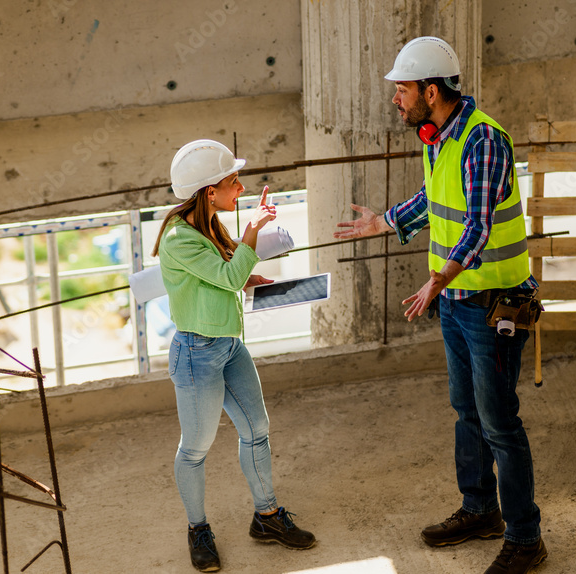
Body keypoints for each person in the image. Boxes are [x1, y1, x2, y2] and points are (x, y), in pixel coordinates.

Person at [334, 37, 546, 574]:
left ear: (431, 91)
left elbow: (476, 227)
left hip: (492, 304)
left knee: (500, 422)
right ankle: (480, 510)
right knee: (466, 410)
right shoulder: (437, 137)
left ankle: (526, 538)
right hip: (456, 301)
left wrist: (437, 279)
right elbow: (436, 199)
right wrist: (384, 221)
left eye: (401, 90)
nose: (395, 100)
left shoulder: (483, 140)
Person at [154, 139, 316, 572]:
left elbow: (224, 277)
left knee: (257, 428)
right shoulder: (177, 239)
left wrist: (249, 277)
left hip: (228, 346)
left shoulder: (209, 228)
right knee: (196, 448)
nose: (240, 189)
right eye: (233, 181)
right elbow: (225, 276)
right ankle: (197, 529)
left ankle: (266, 517)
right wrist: (252, 234)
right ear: (209, 191)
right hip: (196, 355)